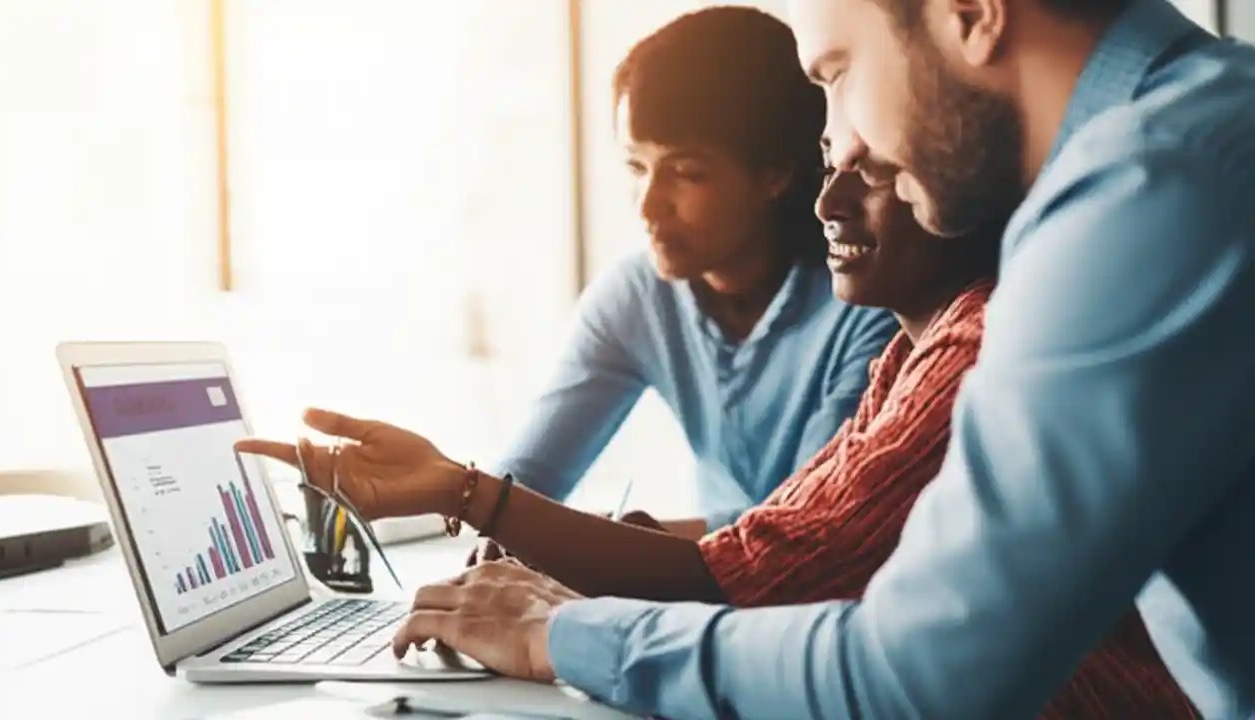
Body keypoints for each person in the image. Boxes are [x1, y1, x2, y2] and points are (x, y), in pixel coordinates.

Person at [325, 1, 1252, 718]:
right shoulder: (1200, 138)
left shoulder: (1157, 187)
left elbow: (917, 673)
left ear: (972, 11)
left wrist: (557, 634)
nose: (839, 148)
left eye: (838, 71)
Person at [239, 155, 1196, 716]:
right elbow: (783, 533)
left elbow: (761, 573)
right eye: (832, 165)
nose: (830, 202)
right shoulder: (915, 347)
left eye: (877, 169)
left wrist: (484, 519)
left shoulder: (966, 347)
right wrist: (505, 530)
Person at [485, 7, 895, 536]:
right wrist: (490, 530)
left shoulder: (866, 303)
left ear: (774, 174)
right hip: (694, 595)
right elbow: (523, 482)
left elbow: (805, 527)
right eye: (636, 167)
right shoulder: (637, 297)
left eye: (684, 173)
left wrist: (621, 541)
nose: (648, 206)